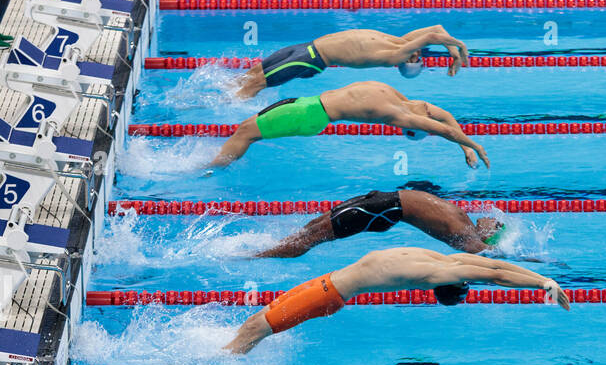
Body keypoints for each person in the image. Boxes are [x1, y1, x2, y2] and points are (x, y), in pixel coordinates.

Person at [223, 247, 570, 354]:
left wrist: (543, 284)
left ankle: (221, 361)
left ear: (453, 285)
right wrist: (543, 280)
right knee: (254, 325)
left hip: (326, 295)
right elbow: (492, 266)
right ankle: (224, 352)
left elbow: (493, 275)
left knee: (254, 330)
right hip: (324, 285)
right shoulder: (446, 262)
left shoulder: (436, 272)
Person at [207, 81, 489, 171]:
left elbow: (446, 124)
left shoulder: (399, 105)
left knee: (245, 134)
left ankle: (206, 169)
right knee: (246, 130)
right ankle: (211, 164)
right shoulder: (409, 108)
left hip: (309, 113)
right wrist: (470, 147)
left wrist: (468, 146)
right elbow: (446, 122)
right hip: (307, 107)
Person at [233, 26, 469, 100]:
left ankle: (215, 107)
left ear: (408, 61)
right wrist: (452, 52)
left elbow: (433, 37)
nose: (420, 53)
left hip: (311, 60)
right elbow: (437, 29)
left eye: (418, 58)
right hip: (305, 46)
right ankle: (222, 92)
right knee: (252, 74)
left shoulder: (395, 54)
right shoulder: (401, 42)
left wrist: (461, 51)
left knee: (254, 86)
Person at [254, 188, 505, 258]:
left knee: (311, 237)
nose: (490, 220)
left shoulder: (466, 231)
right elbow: (491, 254)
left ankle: (260, 252)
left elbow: (490, 254)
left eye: (493, 226)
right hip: (382, 207)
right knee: (311, 233)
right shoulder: (465, 231)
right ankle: (263, 251)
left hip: (382, 207)